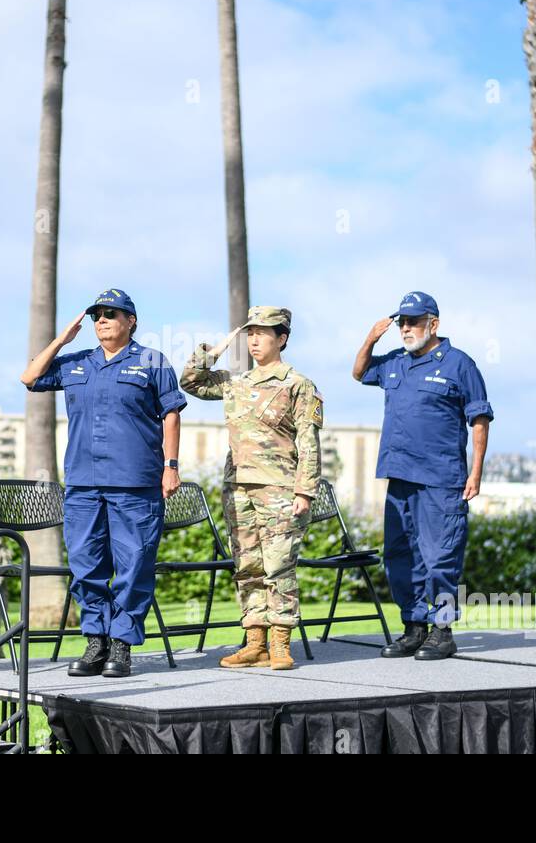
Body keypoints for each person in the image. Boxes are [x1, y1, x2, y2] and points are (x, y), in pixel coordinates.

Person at [21, 289, 185, 677]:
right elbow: (30, 377)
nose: (102, 320)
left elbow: (172, 414)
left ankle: (121, 645)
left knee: (134, 563)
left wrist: (171, 465)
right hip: (83, 484)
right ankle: (96, 642)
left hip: (136, 483)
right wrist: (62, 340)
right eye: (97, 315)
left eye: (112, 313)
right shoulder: (78, 363)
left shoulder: (152, 361)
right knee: (86, 565)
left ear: (131, 321)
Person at [181, 306, 323, 671]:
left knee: (279, 565)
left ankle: (280, 642)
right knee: (247, 566)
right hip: (238, 487)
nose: (255, 339)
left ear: (282, 339)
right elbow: (192, 381)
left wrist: (305, 491)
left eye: (264, 332)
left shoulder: (297, 384)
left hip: (280, 488)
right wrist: (220, 345)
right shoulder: (236, 383)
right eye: (251, 332)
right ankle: (255, 641)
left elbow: (309, 441)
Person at [352, 291, 492, 661]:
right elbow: (360, 372)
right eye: (402, 322)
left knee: (440, 558)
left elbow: (479, 419)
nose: (407, 328)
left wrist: (476, 472)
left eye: (414, 321)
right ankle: (414, 627)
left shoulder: (460, 364)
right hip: (399, 476)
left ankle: (442, 631)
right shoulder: (395, 363)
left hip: (442, 478)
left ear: (434, 323)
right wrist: (370, 338)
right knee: (401, 556)